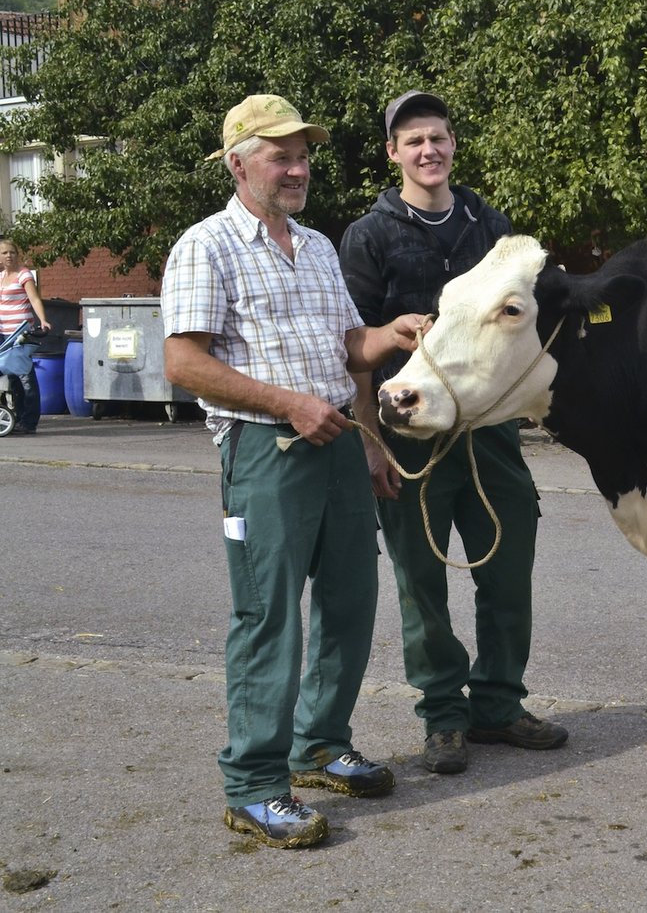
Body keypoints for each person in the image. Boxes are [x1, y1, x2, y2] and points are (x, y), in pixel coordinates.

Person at [162, 94, 428, 849]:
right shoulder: (206, 245)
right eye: (281, 155)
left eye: (303, 155)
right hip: (263, 448)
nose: (298, 169)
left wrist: (389, 336)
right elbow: (182, 361)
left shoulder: (315, 246)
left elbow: (346, 346)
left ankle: (319, 744)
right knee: (268, 616)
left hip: (338, 439)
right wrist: (288, 403)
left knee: (349, 602)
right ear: (238, 163)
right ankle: (253, 786)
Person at [340, 90, 565, 777]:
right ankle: (443, 715)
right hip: (408, 434)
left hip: (488, 430)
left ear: (453, 145)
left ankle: (497, 703)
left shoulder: (489, 226)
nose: (428, 150)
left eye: (437, 137)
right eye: (413, 141)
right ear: (393, 153)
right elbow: (352, 350)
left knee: (508, 570)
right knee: (421, 585)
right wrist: (369, 439)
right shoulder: (369, 236)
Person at [0, 238, 50, 435]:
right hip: (4, 334)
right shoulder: (1, 277)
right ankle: (18, 418)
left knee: (25, 378)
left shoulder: (24, 274)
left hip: (20, 334)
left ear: (17, 255)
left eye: (12, 252)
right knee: (12, 378)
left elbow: (34, 299)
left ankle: (29, 422)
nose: (9, 256)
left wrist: (43, 320)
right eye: (4, 253)